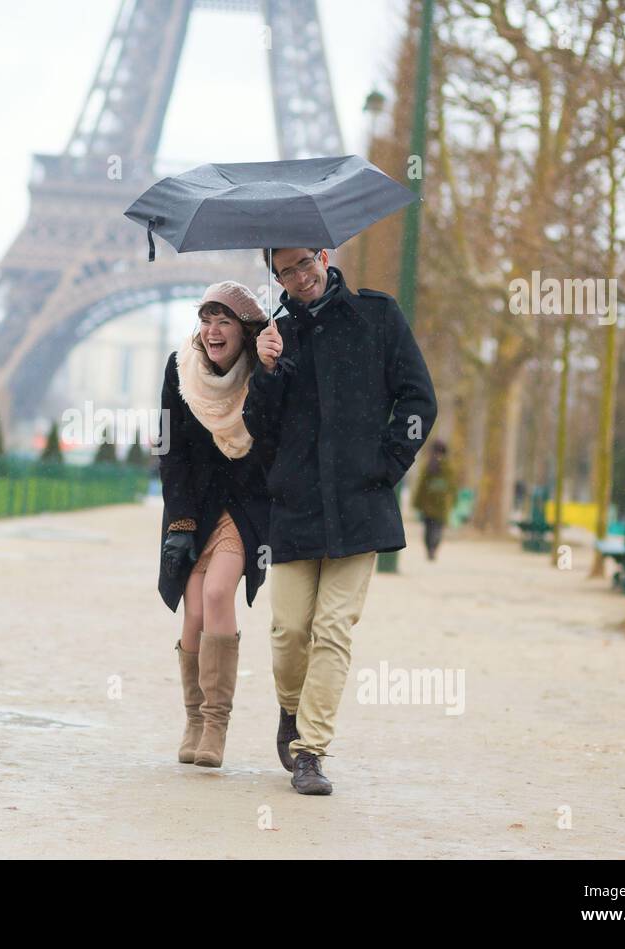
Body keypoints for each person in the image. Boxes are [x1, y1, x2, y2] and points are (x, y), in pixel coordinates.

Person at [243, 248, 436, 795]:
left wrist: (386, 465)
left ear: (324, 256)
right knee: (288, 630)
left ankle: (310, 751)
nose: (300, 277)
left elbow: (419, 398)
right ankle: (289, 708)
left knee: (332, 630)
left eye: (306, 263)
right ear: (275, 276)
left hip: (359, 504)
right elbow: (258, 425)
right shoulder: (275, 338)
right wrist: (269, 371)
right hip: (297, 507)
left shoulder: (378, 316)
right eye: (286, 271)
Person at [158, 281, 274, 769]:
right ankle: (193, 720)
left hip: (245, 506)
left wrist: (269, 371)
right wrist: (181, 522)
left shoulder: (264, 369)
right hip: (194, 507)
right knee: (194, 616)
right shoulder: (178, 368)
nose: (212, 330)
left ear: (245, 330)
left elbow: (272, 435)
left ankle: (216, 723)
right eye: (206, 319)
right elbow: (169, 446)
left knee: (217, 593)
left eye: (224, 321)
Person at [412, 441, 458, 561]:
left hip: (428, 505)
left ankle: (430, 548)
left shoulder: (428, 466)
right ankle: (433, 548)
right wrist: (454, 500)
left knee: (428, 529)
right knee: (437, 528)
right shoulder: (449, 467)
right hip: (441, 505)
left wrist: (417, 503)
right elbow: (453, 487)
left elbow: (421, 486)